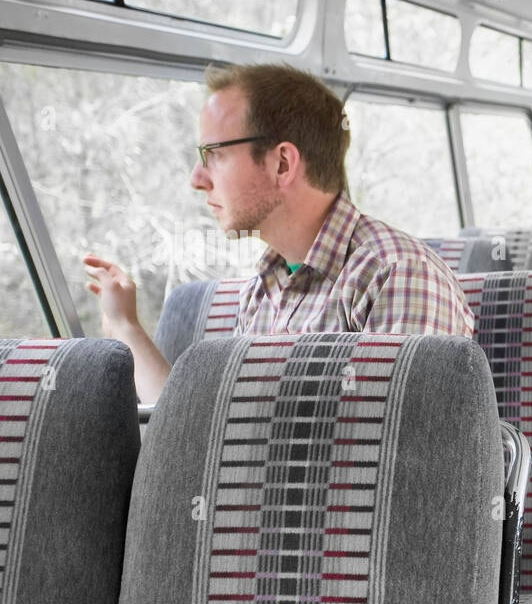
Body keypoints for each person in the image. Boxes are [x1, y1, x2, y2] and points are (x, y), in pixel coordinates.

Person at [85, 62, 475, 404]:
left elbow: (402, 459)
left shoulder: (398, 274)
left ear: (283, 163)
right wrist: (126, 328)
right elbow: (204, 428)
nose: (197, 179)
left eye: (214, 155)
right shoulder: (262, 289)